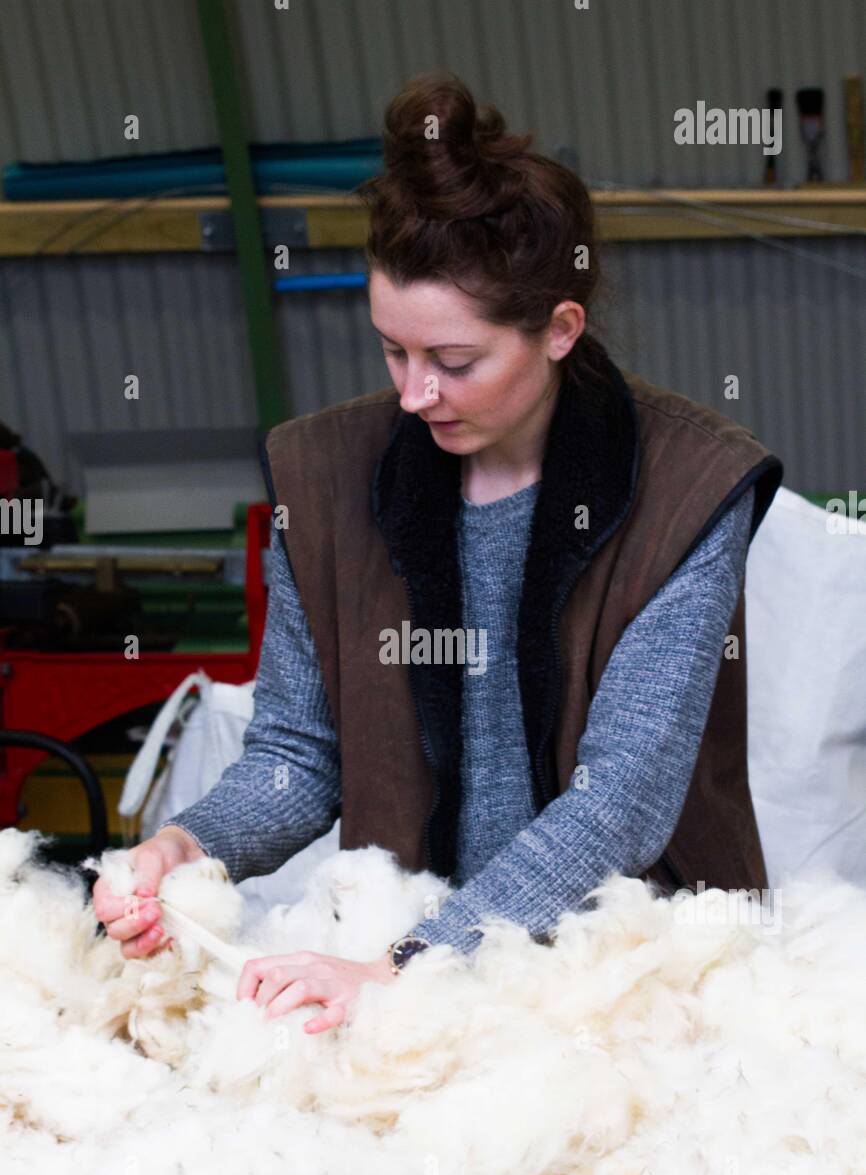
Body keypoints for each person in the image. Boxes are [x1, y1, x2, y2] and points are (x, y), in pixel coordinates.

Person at [93, 71, 783, 1035]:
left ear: (558, 330)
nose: (416, 395)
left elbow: (620, 803)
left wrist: (415, 963)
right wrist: (188, 844)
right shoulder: (329, 479)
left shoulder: (686, 490)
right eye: (391, 352)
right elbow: (300, 753)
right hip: (398, 959)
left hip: (632, 984)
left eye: (454, 363)